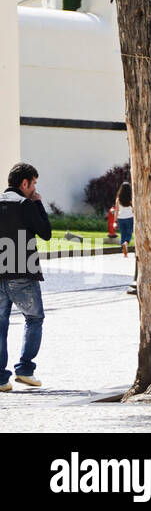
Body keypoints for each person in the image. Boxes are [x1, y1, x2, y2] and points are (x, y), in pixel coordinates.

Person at [0, 163, 52, 390]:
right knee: (34, 319)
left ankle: (1, 379)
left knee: (0, 325)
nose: (35, 188)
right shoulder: (25, 204)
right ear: (24, 183)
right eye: (34, 183)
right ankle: (25, 369)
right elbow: (47, 233)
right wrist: (38, 202)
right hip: (22, 272)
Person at [112, 182, 134, 258]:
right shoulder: (131, 199)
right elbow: (134, 210)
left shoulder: (118, 199)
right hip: (130, 218)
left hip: (120, 219)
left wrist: (115, 221)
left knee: (123, 234)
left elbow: (116, 211)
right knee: (129, 233)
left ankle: (124, 251)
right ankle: (126, 243)